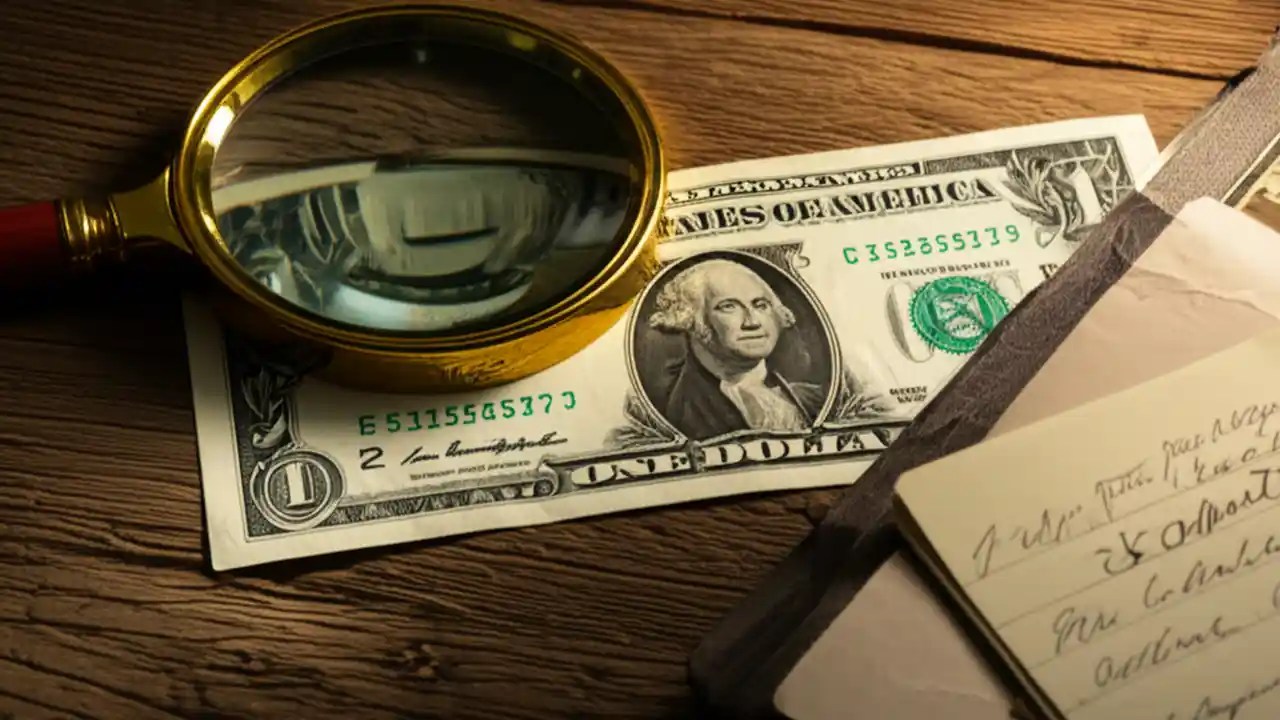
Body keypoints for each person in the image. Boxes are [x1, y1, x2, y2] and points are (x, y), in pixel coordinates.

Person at [646, 258, 828, 440]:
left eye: (760, 305)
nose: (752, 322)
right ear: (692, 319)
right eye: (728, 307)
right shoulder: (676, 412)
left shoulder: (813, 398)